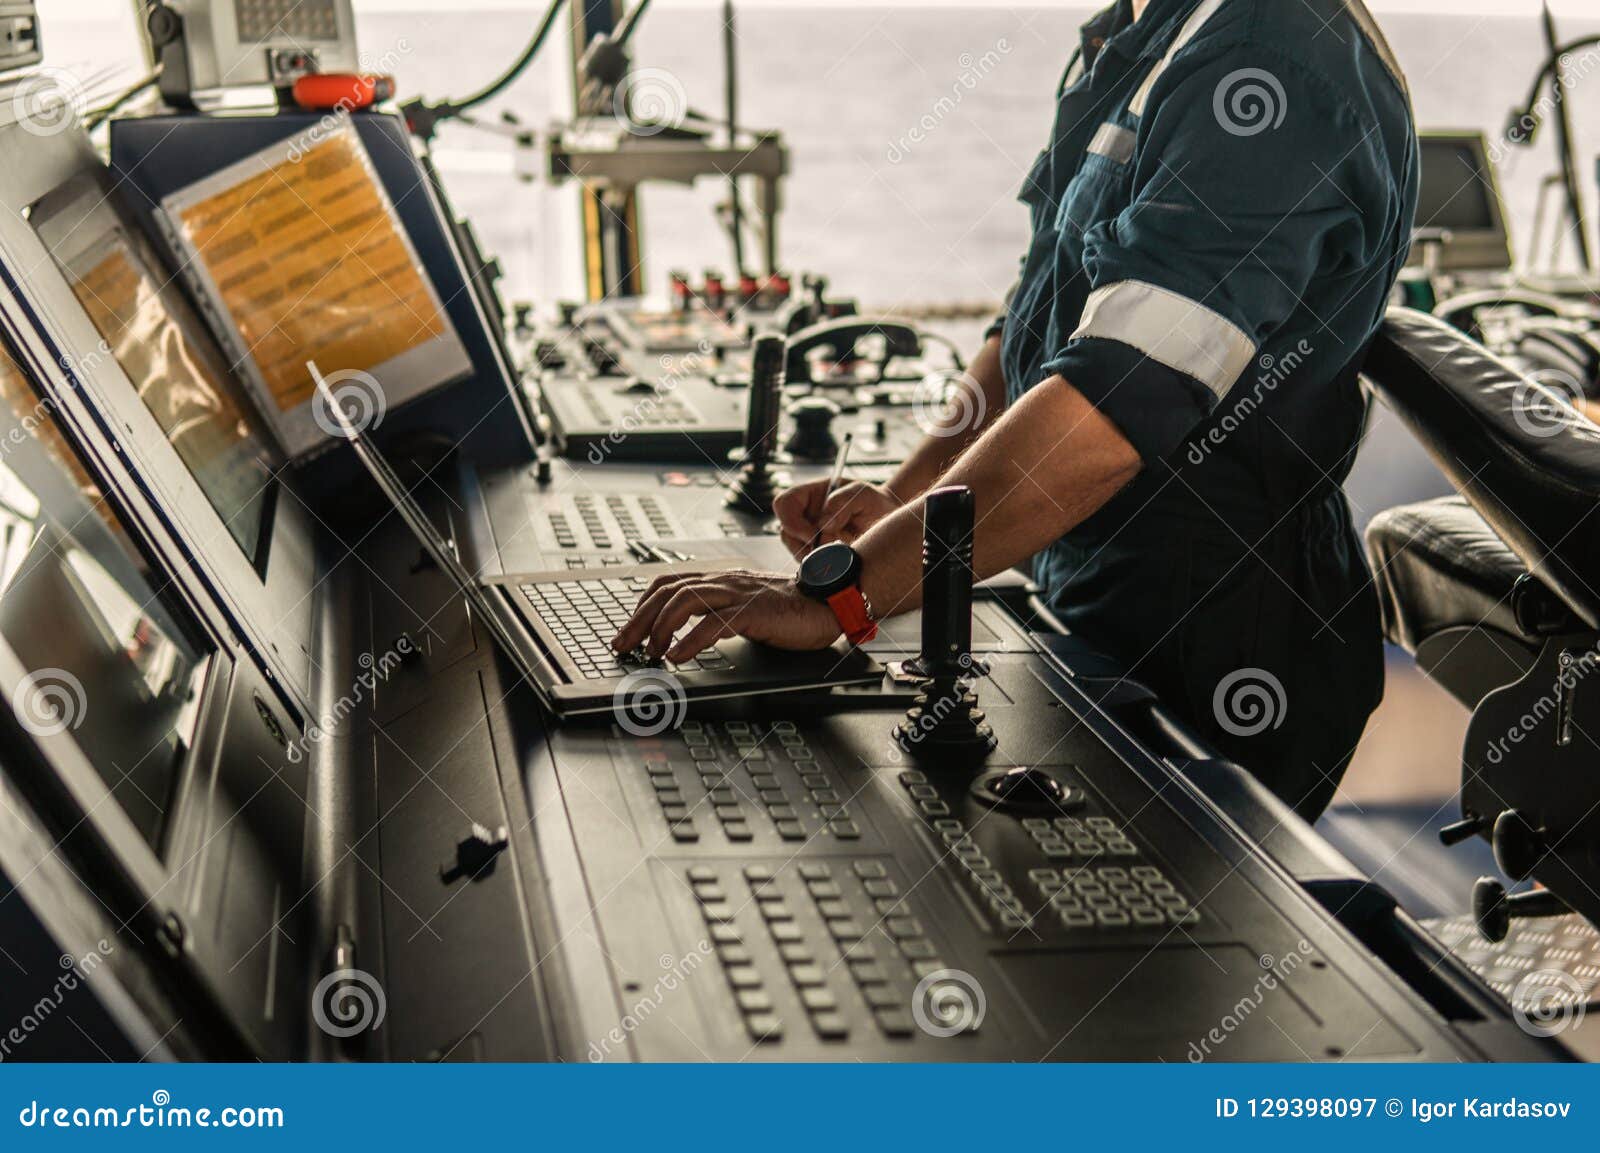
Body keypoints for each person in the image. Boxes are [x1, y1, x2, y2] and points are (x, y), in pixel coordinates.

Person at [614, 0, 1418, 820]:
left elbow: (1115, 402)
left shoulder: (1270, 60)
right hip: (1081, 587)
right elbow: (1038, 318)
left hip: (1216, 641)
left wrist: (839, 599)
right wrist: (906, 501)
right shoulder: (1148, 30)